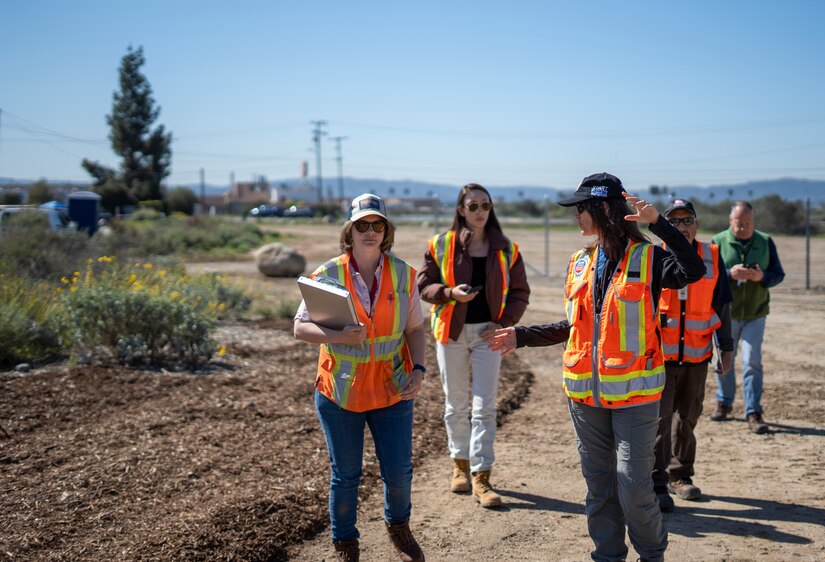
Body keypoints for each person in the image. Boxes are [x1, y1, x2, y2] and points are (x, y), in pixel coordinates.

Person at [486, 173, 706, 562]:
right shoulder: (579, 262)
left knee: (634, 487)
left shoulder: (649, 257)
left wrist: (660, 225)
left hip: (636, 395)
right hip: (585, 396)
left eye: (581, 209)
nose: (576, 218)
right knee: (599, 487)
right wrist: (520, 336)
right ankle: (607, 555)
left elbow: (693, 269)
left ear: (603, 209)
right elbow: (574, 326)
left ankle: (652, 554)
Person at [294, 193, 426, 562]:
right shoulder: (328, 274)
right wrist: (336, 335)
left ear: (386, 232)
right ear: (349, 232)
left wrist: (418, 368)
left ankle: (399, 529)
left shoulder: (404, 274)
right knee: (346, 476)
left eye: (377, 224)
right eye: (362, 225)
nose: (370, 231)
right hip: (341, 393)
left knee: (399, 473)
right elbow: (300, 328)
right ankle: (345, 545)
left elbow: (415, 329)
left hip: (392, 390)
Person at [416, 183, 530, 508]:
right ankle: (459, 467)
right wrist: (450, 293)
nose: (480, 212)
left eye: (485, 205)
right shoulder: (441, 244)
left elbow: (521, 292)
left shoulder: (507, 248)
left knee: (485, 407)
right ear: (461, 210)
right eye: (473, 206)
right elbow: (423, 286)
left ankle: (482, 476)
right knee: (456, 403)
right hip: (450, 332)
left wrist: (503, 322)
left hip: (488, 336)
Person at [652, 199, 734, 513]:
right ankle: (656, 483)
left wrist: (725, 347)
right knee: (658, 422)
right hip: (660, 356)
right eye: (674, 222)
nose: (681, 227)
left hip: (697, 354)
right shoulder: (655, 257)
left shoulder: (712, 257)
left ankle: (680, 476)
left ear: (697, 224)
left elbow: (722, 306)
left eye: (687, 220)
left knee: (687, 417)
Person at [710, 200, 785, 434]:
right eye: (738, 223)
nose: (743, 228)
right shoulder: (717, 242)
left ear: (753, 222)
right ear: (730, 221)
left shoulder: (765, 241)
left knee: (752, 361)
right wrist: (729, 273)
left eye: (747, 223)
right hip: (726, 312)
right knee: (725, 359)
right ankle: (724, 401)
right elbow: (708, 274)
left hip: (755, 313)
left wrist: (761, 276)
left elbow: (778, 274)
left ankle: (753, 411)